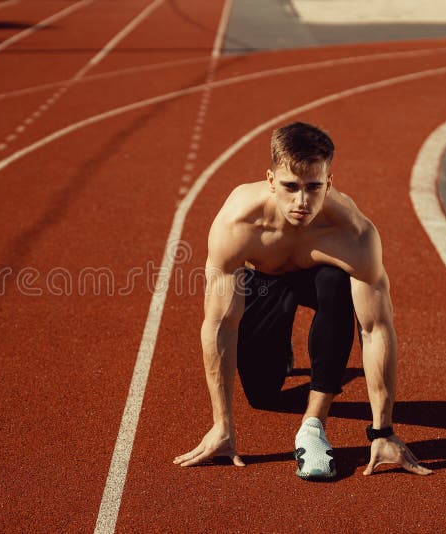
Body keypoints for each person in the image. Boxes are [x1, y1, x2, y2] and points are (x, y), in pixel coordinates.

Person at [173, 122, 432, 479]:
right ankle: (280, 349)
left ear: (329, 182)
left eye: (313, 188)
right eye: (290, 187)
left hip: (320, 278)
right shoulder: (238, 224)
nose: (301, 202)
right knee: (263, 396)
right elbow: (220, 324)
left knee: (336, 282)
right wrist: (222, 425)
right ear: (269, 180)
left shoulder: (353, 235)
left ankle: (313, 423)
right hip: (265, 282)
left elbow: (375, 329)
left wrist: (383, 431)